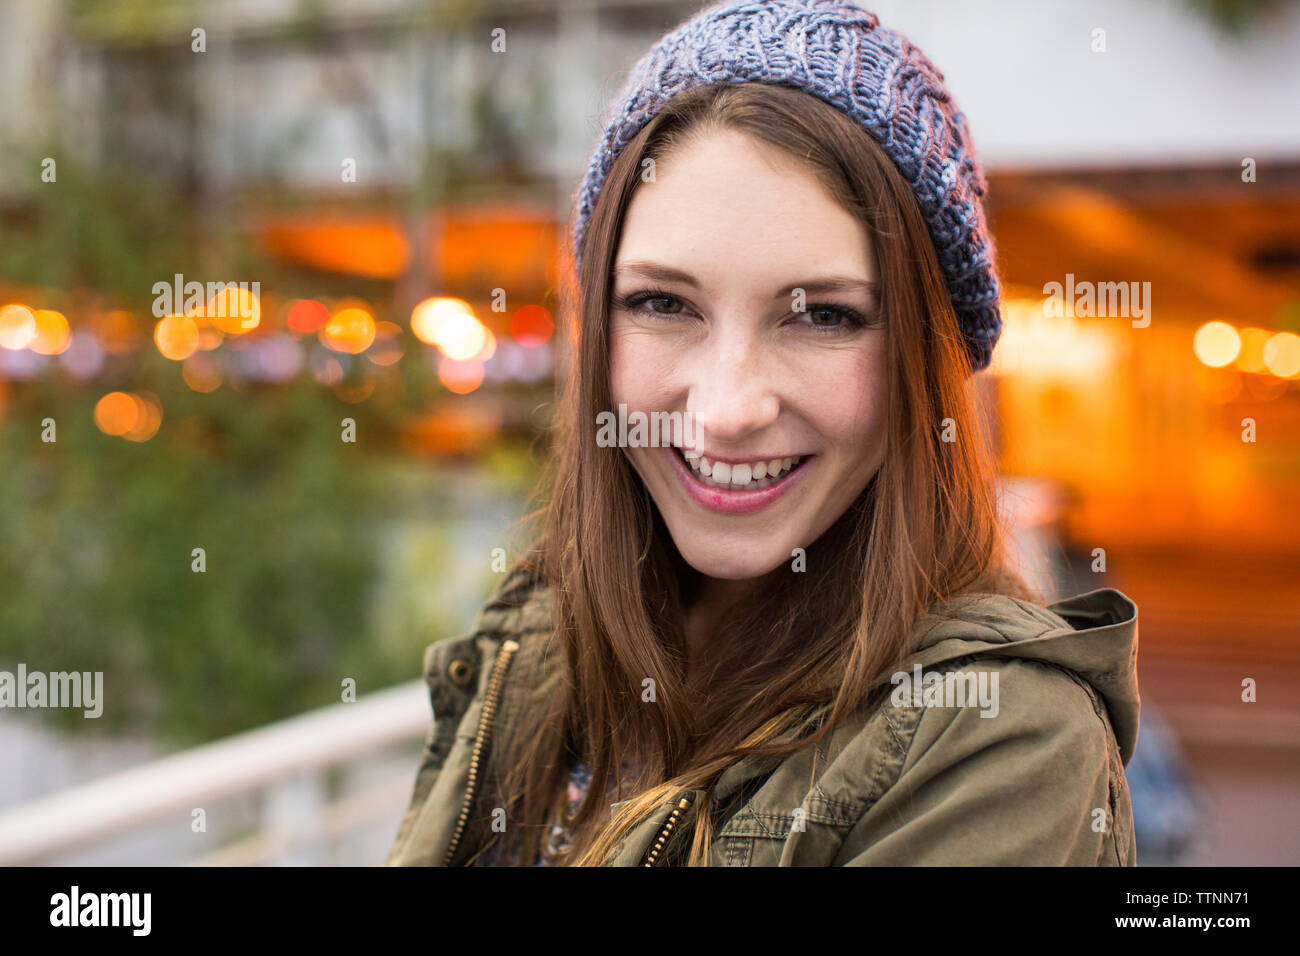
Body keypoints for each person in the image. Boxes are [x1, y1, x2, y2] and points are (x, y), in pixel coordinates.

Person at [386, 0, 1140, 867]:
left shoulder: (1002, 746)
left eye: (822, 315)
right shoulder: (540, 642)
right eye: (663, 304)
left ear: (926, 360)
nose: (726, 410)